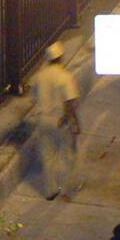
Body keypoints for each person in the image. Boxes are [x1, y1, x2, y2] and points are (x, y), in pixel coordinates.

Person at [31, 42, 79, 200]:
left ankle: (50, 190)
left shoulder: (39, 76)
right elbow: (69, 102)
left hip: (42, 119)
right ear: (60, 57)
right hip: (60, 120)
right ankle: (65, 190)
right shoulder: (65, 76)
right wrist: (73, 121)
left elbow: (34, 97)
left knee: (47, 155)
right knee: (67, 154)